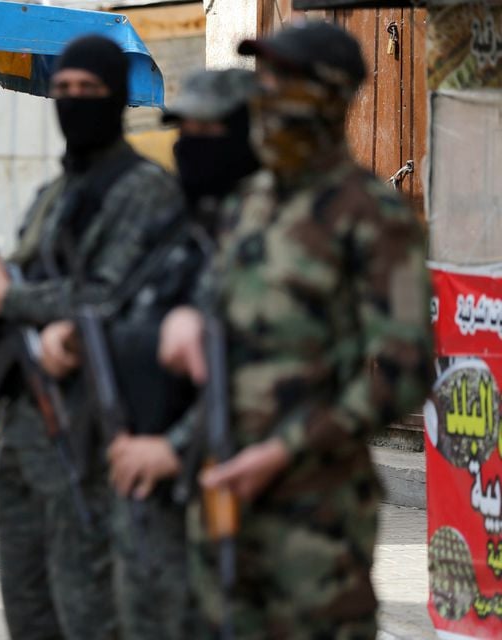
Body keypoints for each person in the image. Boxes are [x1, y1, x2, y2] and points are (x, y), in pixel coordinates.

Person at [146, 22, 434, 638]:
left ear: (329, 94)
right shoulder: (250, 201)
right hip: (219, 486)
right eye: (265, 79)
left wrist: (282, 448)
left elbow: (406, 374)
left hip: (314, 512)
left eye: (283, 80)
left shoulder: (371, 215)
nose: (267, 95)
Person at [0, 35, 180, 639]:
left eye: (90, 91)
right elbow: (19, 273)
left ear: (115, 98)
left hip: (92, 423)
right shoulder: (57, 193)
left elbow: (116, 297)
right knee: (24, 595)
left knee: (88, 603)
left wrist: (10, 299)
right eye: (66, 90)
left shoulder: (143, 190)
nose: (75, 102)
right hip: (28, 420)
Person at [37, 68, 258, 640]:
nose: (192, 143)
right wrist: (79, 337)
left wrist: (175, 449)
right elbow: (125, 302)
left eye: (211, 130)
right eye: (185, 128)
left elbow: (282, 373)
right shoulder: (178, 224)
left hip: (235, 488)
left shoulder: (278, 237)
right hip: (145, 487)